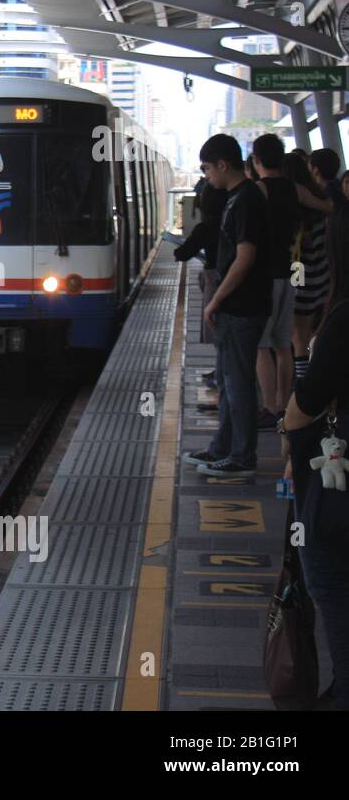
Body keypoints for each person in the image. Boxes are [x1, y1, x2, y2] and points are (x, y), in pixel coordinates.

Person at [281, 202, 349, 710]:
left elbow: (307, 404)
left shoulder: (344, 321)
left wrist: (287, 433)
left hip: (338, 486)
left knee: (328, 579)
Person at [185, 134, 270, 477]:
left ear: (222, 164)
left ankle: (242, 458)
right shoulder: (237, 197)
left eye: (207, 169)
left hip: (242, 306)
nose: (206, 176)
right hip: (236, 306)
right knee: (228, 379)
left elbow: (245, 256)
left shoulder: (247, 199)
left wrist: (216, 300)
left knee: (237, 384)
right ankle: (222, 448)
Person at [251, 134, 300, 430]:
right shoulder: (294, 188)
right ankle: (283, 404)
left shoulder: (259, 190)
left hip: (267, 273)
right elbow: (324, 206)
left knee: (262, 346)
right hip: (292, 269)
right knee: (284, 343)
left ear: (256, 161)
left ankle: (269, 407)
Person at [285, 151, 334, 381]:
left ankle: (303, 384)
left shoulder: (299, 205)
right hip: (320, 275)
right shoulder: (319, 203)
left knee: (298, 335)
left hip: (302, 273)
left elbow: (297, 259)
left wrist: (295, 288)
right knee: (303, 333)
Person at [175, 175, 227, 350]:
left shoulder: (206, 227)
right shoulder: (230, 221)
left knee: (215, 323)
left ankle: (221, 371)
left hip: (216, 277)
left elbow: (183, 253)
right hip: (292, 276)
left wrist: (178, 250)